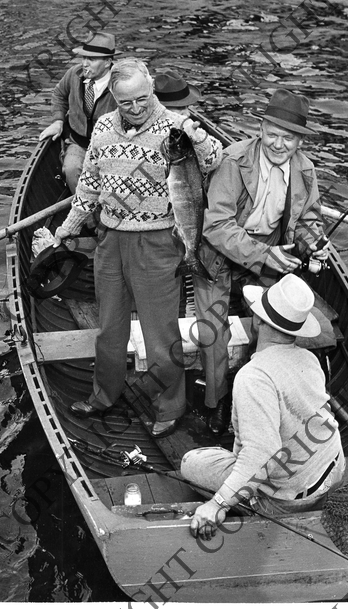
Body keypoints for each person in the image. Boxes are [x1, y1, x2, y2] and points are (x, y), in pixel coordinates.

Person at [54, 58, 222, 438]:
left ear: (151, 88)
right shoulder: (103, 127)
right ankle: (103, 395)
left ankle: (171, 405)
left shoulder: (175, 126)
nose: (136, 108)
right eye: (126, 102)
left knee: (160, 336)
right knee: (108, 330)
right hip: (110, 241)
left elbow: (214, 160)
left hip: (158, 242)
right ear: (113, 97)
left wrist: (198, 138)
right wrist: (67, 228)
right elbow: (89, 186)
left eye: (143, 98)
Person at [193, 88, 330, 435]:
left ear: (300, 141)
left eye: (288, 138)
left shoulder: (306, 169)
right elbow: (216, 225)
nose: (278, 144)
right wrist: (264, 256)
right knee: (212, 333)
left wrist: (313, 243)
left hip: (271, 251)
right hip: (220, 255)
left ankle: (257, 393)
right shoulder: (232, 161)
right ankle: (217, 401)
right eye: (272, 134)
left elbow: (309, 218)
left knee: (274, 330)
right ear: (261, 129)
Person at [181, 274, 345, 540]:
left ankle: (258, 505)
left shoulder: (252, 377)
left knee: (191, 464)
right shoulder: (309, 357)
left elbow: (262, 454)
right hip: (334, 471)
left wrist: (218, 504)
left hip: (290, 499)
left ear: (257, 320)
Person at [39, 31, 119, 193]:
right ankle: (86, 214)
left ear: (107, 62)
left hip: (111, 147)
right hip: (78, 143)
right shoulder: (74, 74)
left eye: (92, 59)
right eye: (84, 58)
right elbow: (59, 95)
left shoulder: (121, 84)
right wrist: (58, 121)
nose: (85, 64)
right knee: (71, 170)